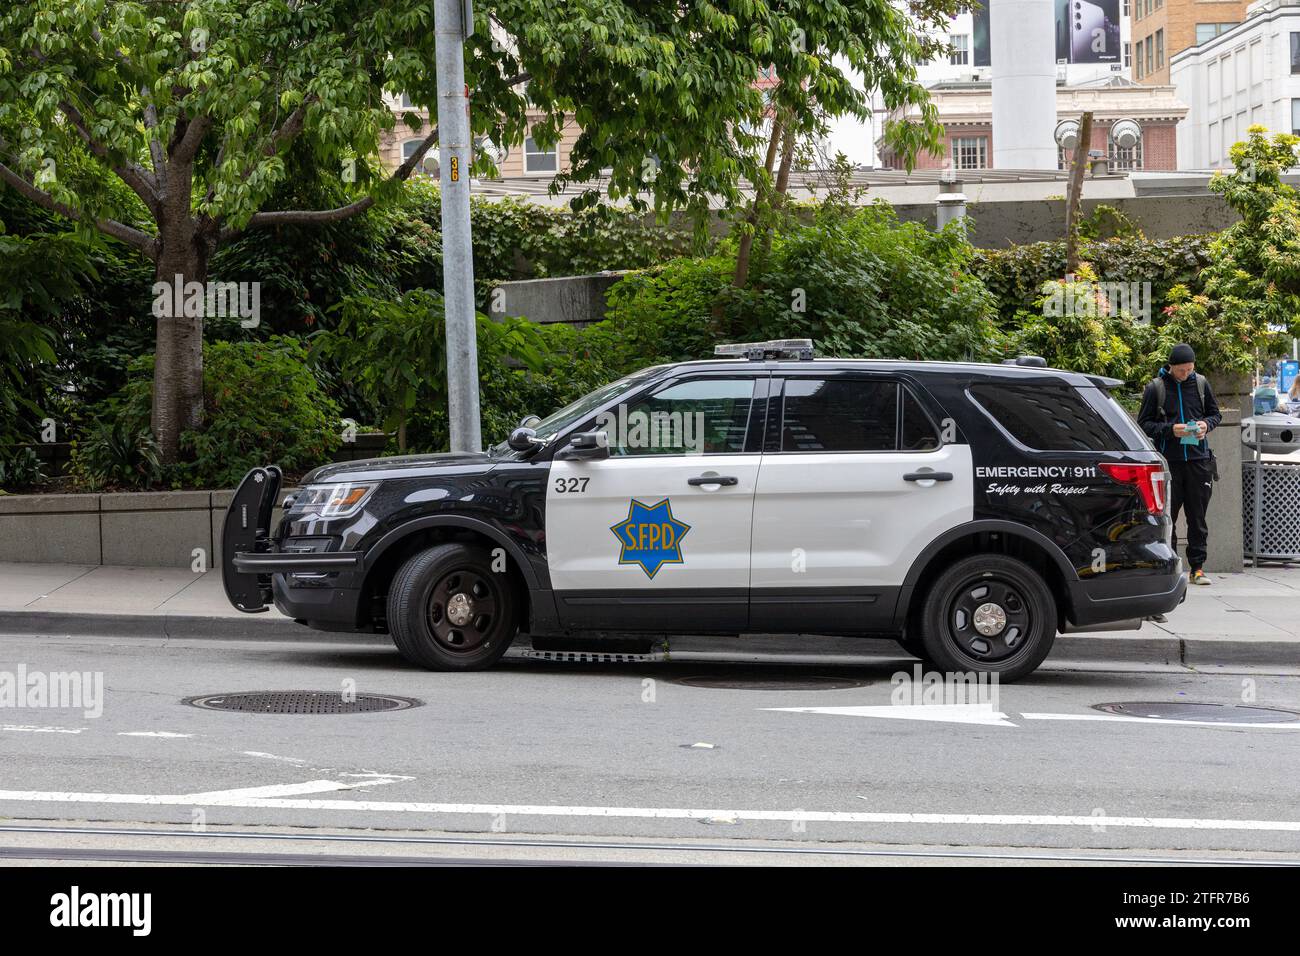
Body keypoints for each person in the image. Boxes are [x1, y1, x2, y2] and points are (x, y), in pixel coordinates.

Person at [1137, 343, 1221, 585]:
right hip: (1170, 464)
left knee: (1198, 517)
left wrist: (1207, 425)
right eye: (1182, 370)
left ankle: (1198, 568)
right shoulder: (1156, 388)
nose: (1187, 374)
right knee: (1168, 518)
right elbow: (1143, 425)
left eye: (1190, 369)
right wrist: (1171, 430)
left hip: (1199, 461)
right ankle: (1171, 568)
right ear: (1171, 367)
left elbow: (1216, 414)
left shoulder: (1201, 384)